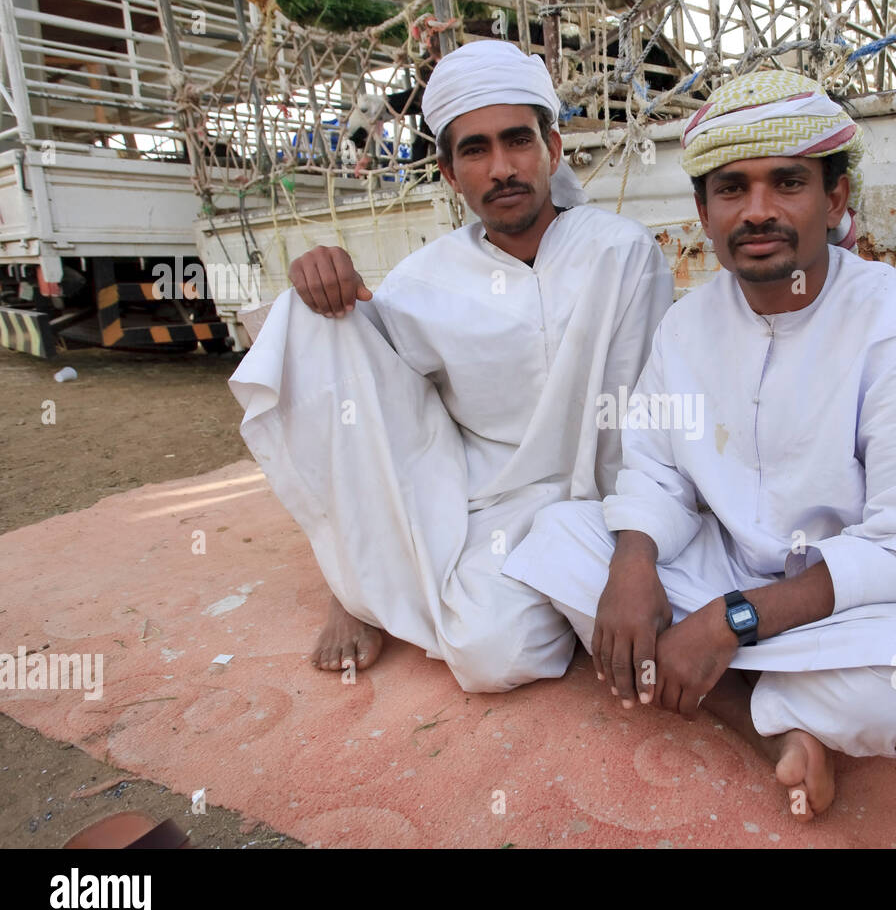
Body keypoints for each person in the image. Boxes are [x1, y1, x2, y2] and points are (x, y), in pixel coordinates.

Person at [501, 71, 896, 818]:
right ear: (703, 210)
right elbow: (655, 468)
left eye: (787, 183)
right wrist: (632, 564)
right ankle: (780, 719)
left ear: (835, 199)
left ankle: (729, 678)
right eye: (731, 189)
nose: (758, 212)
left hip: (860, 600)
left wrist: (730, 622)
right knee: (560, 537)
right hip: (721, 565)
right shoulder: (687, 328)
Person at [228, 40, 673, 692]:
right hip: (492, 503)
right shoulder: (421, 282)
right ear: (447, 172)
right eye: (475, 150)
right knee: (493, 653)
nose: (501, 168)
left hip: (608, 503)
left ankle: (571, 578)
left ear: (552, 150)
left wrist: (636, 549)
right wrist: (314, 284)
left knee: (681, 600)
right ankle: (357, 583)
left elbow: (652, 407)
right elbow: (362, 385)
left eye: (518, 141)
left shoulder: (621, 254)